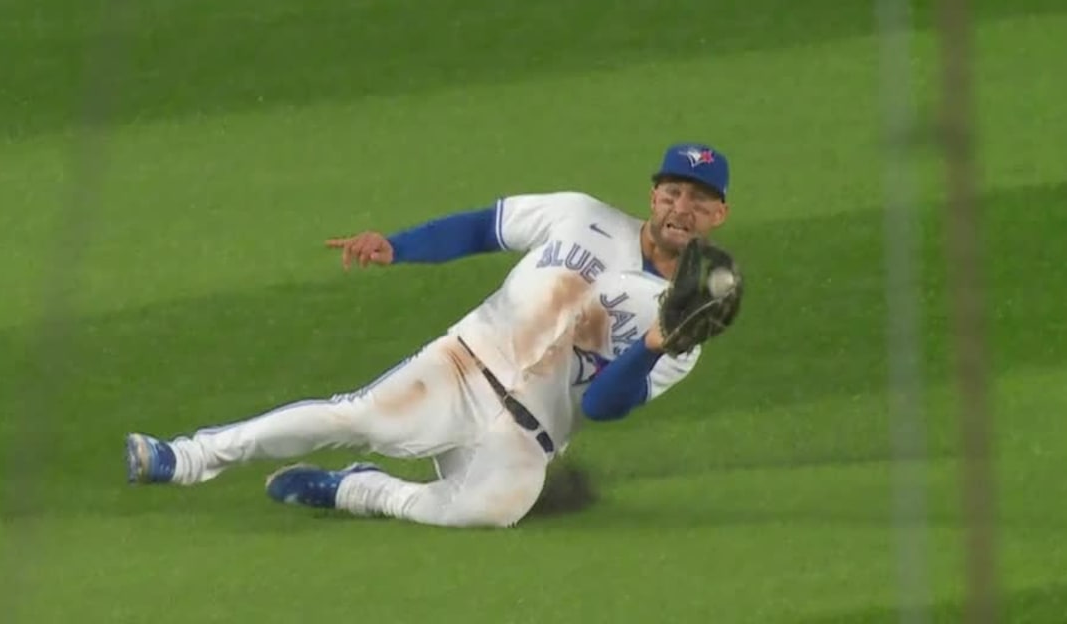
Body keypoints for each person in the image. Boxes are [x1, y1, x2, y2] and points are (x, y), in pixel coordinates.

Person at [124, 143, 741, 528]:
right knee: (356, 418)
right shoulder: (580, 215)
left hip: (531, 435)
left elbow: (604, 407)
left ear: (719, 216)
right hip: (465, 367)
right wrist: (400, 247)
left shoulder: (685, 329)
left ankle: (360, 491)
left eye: (699, 200)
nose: (680, 208)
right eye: (673, 192)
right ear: (653, 194)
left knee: (487, 513)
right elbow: (484, 228)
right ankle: (188, 456)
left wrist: (656, 343)